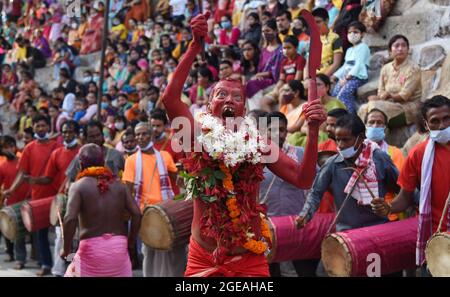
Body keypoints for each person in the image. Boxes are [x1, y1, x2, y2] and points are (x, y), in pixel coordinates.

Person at [161, 12, 326, 277]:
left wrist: (314, 130)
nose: (229, 100)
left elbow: (303, 179)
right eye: (221, 94)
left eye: (237, 97)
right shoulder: (193, 135)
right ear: (208, 104)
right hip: (203, 256)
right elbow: (170, 98)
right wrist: (194, 47)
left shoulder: (258, 142)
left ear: (245, 108)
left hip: (249, 256)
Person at [297, 113, 400, 276]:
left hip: (378, 235)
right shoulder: (332, 164)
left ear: (360, 138)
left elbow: (401, 188)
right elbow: (315, 193)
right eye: (337, 140)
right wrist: (305, 214)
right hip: (346, 236)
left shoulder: (380, 158)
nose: (340, 145)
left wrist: (396, 207)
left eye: (346, 140)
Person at [371, 95, 450, 277]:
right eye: (435, 121)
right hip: (437, 245)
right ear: (426, 125)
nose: (442, 125)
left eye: (447, 118)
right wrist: (388, 207)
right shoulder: (418, 154)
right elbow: (405, 197)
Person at [62, 144, 141, 277]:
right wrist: (131, 242)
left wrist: (66, 249)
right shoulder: (119, 186)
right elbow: (137, 213)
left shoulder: (78, 186)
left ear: (80, 164)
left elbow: (70, 218)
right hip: (119, 246)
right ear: (103, 163)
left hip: (91, 249)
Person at [260, 112, 318, 277]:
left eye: (282, 129)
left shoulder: (300, 154)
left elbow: (317, 185)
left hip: (297, 225)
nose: (279, 134)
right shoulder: (254, 156)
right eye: (273, 130)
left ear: (287, 132)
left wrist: (309, 212)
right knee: (271, 273)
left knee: (305, 271)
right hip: (267, 228)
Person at [122, 122, 182, 277]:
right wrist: (130, 212)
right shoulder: (131, 160)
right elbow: (128, 190)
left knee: (169, 251)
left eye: (143, 134)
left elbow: (178, 181)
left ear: (151, 135)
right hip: (145, 212)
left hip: (166, 212)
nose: (140, 138)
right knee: (149, 253)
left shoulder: (165, 156)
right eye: (137, 135)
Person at [4, 115, 61, 276]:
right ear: (33, 127)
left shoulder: (56, 146)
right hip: (38, 198)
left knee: (62, 234)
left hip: (57, 197)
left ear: (48, 127)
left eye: (43, 126)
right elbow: (22, 173)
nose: (41, 129)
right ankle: (46, 264)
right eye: (38, 126)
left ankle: (67, 264)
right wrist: (12, 190)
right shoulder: (29, 148)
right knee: (41, 234)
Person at [26, 121, 81, 276]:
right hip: (63, 201)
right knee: (60, 239)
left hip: (83, 202)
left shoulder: (83, 151)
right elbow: (48, 178)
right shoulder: (57, 153)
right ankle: (58, 271)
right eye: (64, 132)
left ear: (76, 133)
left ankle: (75, 270)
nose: (67, 134)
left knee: (78, 241)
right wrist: (34, 180)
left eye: (70, 131)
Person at [358, 35, 422, 147]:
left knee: (374, 106)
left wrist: (386, 96)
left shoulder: (413, 68)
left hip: (408, 106)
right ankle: (364, 141)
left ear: (408, 49)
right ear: (390, 51)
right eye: (396, 46)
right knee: (363, 108)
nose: (400, 48)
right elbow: (381, 91)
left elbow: (404, 96)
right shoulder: (386, 68)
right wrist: (379, 97)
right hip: (388, 104)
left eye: (404, 46)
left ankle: (377, 144)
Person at [364, 109, 406, 221]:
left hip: (390, 213)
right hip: (362, 213)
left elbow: (401, 184)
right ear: (365, 126)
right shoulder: (357, 152)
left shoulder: (395, 152)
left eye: (379, 123)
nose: (375, 125)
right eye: (371, 122)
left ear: (385, 128)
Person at [0, 136, 30, 269]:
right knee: (17, 234)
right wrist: (4, 193)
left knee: (32, 232)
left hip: (28, 201)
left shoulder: (23, 160)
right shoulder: (2, 166)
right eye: (5, 147)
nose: (9, 149)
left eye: (11, 145)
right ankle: (19, 259)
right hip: (12, 204)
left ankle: (37, 256)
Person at [331, 21, 370, 113]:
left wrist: (349, 77)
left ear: (362, 34)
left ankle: (350, 115)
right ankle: (338, 115)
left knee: (344, 94)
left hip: (358, 77)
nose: (352, 34)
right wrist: (335, 76)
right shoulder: (349, 50)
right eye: (349, 32)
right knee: (334, 94)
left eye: (355, 32)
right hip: (346, 77)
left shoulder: (363, 47)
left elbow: (359, 64)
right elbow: (345, 66)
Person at [312, 7, 343, 77]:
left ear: (326, 21)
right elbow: (308, 63)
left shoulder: (335, 38)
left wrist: (322, 78)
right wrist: (306, 78)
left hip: (327, 78)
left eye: (318, 22)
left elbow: (336, 64)